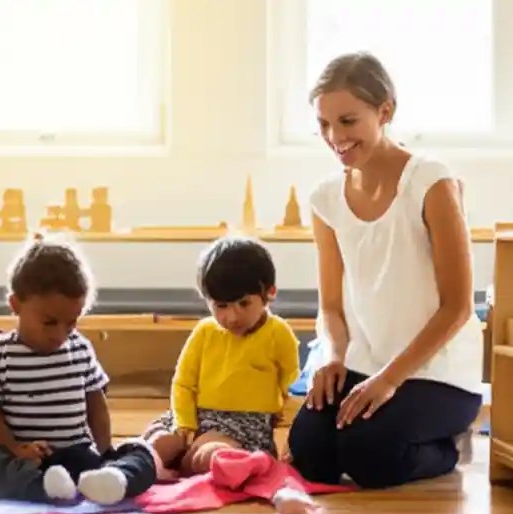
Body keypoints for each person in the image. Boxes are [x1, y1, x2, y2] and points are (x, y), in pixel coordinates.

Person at [288, 51, 484, 489]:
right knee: (310, 453)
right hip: (364, 365)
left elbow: (456, 307)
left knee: (369, 454)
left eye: (348, 121)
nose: (334, 137)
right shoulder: (326, 199)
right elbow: (331, 308)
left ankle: (451, 444)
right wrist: (333, 357)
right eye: (323, 125)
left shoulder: (431, 182)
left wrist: (391, 379)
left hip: (437, 372)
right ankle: (381, 418)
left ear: (385, 111)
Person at [0, 232, 156, 505]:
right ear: (16, 305)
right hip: (25, 461)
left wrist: (103, 450)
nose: (60, 334)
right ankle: (43, 488)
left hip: (76, 454)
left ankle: (113, 480)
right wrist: (14, 448)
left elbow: (96, 403)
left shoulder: (80, 348)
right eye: (49, 322)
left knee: (141, 452)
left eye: (71, 323)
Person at [142, 236, 302, 475]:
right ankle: (127, 473)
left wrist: (293, 439)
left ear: (270, 293)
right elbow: (183, 383)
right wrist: (184, 423)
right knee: (157, 442)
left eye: (243, 304)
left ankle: (235, 466)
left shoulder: (278, 333)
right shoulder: (205, 332)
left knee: (209, 454)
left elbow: (292, 388)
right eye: (221, 306)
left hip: (243, 424)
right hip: (193, 414)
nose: (233, 317)